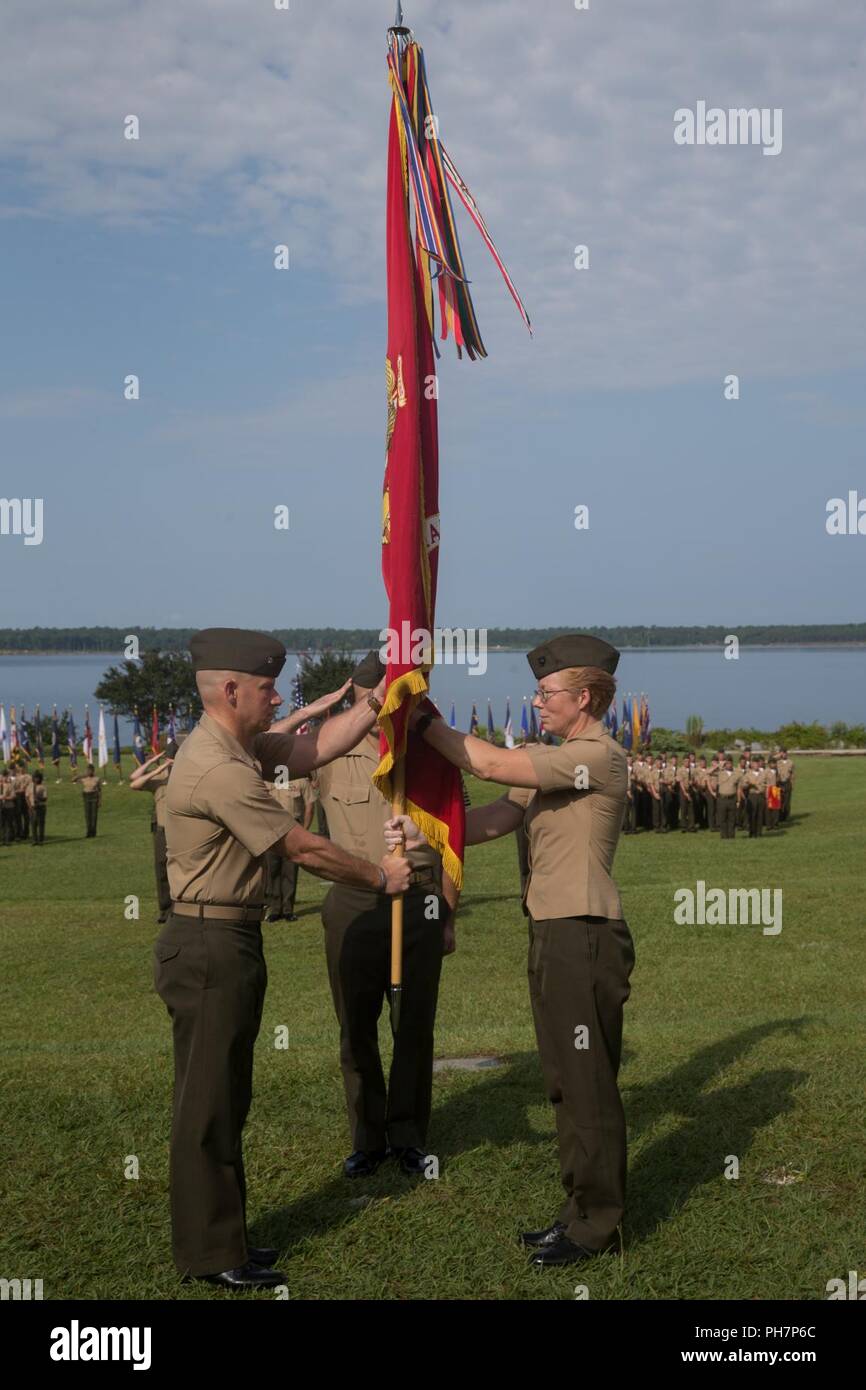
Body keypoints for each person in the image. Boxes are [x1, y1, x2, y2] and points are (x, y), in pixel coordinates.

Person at [155, 628, 412, 1292]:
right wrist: (381, 878)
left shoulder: (237, 745)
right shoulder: (218, 765)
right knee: (208, 1102)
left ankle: (227, 1239)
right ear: (232, 689)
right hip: (210, 942)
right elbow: (301, 848)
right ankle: (211, 1254)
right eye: (269, 688)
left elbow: (319, 745)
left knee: (226, 1095)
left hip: (228, 939)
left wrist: (383, 694)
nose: (278, 698)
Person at [386, 633, 633, 1269]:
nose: (537, 700)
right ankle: (577, 1210)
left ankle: (597, 1224)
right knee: (562, 1079)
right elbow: (496, 816)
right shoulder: (549, 758)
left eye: (547, 693)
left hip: (584, 932)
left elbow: (490, 765)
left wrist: (422, 719)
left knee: (587, 1081)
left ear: (583, 697)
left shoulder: (597, 756)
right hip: (553, 931)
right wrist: (427, 833)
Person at [316, 652, 459, 1179]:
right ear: (358, 695)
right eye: (375, 700)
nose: (384, 712)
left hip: (420, 899)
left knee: (414, 1027)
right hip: (354, 900)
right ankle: (367, 1137)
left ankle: (407, 1135)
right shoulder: (327, 749)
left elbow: (452, 839)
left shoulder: (429, 747)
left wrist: (447, 914)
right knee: (356, 1028)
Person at [130, 747, 177, 923]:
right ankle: (165, 910)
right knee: (161, 867)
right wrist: (154, 764)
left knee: (181, 869)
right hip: (163, 830)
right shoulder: (159, 778)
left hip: (183, 831)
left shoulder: (186, 774)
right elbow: (134, 781)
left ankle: (180, 909)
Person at [263, 772, 315, 921]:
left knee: (290, 870)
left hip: (293, 828)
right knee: (272, 870)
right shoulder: (266, 779)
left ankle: (287, 910)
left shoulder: (300, 780)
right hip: (271, 829)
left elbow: (310, 806)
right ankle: (274, 909)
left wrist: (304, 831)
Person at [717, 756, 742, 839]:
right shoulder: (720, 772)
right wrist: (719, 765)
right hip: (722, 799)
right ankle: (724, 836)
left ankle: (731, 836)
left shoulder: (736, 774)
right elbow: (708, 772)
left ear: (732, 764)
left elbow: (739, 788)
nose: (729, 765)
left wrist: (738, 800)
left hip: (732, 799)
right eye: (727, 763)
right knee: (723, 819)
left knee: (732, 819)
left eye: (730, 763)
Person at [73, 763, 101, 837]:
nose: (89, 772)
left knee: (94, 816)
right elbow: (73, 780)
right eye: (88, 770)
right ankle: (88, 832)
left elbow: (99, 791)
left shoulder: (97, 779)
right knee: (87, 815)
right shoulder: (84, 779)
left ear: (93, 771)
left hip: (94, 797)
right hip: (86, 797)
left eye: (90, 770)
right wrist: (83, 775)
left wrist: (99, 801)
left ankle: (93, 832)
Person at [744, 755, 767, 837]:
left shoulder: (763, 774)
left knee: (760, 815)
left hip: (760, 795)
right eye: (755, 763)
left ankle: (759, 832)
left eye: (758, 763)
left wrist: (761, 790)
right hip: (752, 795)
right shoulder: (748, 774)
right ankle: (752, 832)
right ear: (752, 764)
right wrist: (751, 784)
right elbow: (744, 785)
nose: (756, 764)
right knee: (752, 815)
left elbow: (765, 785)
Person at [28, 770, 47, 844]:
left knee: (41, 824)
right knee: (33, 824)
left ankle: (41, 840)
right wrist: (29, 806)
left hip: (40, 807)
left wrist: (38, 798)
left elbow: (45, 798)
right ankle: (34, 840)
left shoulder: (43, 787)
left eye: (38, 778)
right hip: (32, 808)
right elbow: (27, 796)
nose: (36, 779)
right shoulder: (30, 786)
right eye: (35, 778)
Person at [777, 748, 795, 822]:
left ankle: (786, 816)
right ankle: (780, 817)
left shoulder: (791, 762)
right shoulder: (777, 762)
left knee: (787, 801)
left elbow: (792, 774)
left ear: (786, 753)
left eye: (784, 752)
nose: (783, 754)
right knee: (780, 801)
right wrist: (777, 755)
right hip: (779, 783)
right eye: (782, 753)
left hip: (787, 783)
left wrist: (792, 784)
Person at [0, 768, 17, 845]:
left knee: (8, 823)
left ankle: (8, 839)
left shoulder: (10, 786)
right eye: (2, 776)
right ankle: (3, 839)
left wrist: (5, 798)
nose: (3, 778)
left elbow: (13, 796)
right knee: (2, 824)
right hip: (1, 807)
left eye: (4, 776)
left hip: (9, 806)